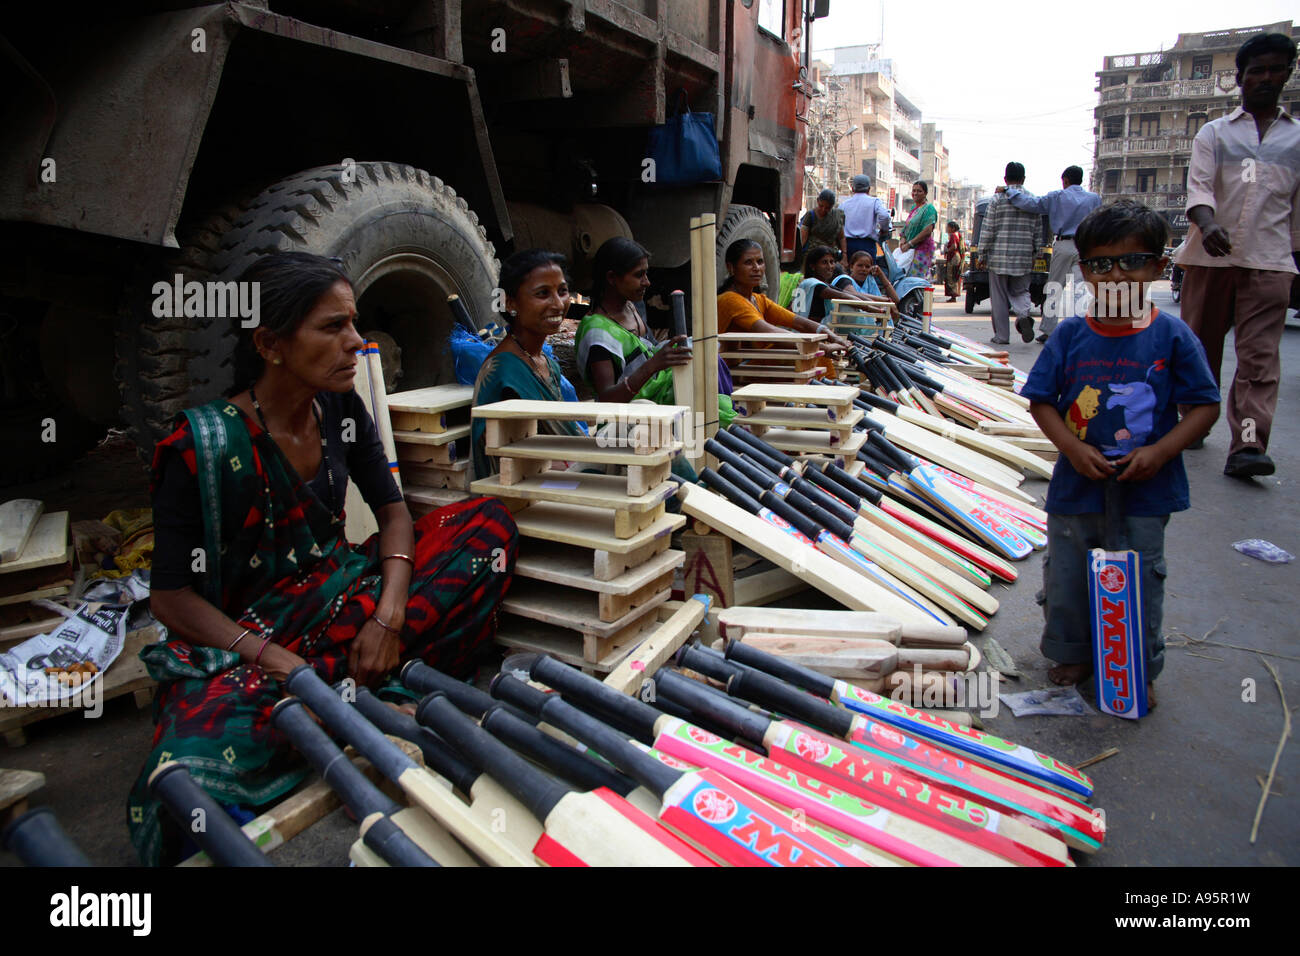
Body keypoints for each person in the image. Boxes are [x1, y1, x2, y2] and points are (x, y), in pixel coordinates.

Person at [130, 252, 518, 865]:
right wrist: (276, 659)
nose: (356, 343)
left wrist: (387, 615)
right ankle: (349, 690)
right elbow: (172, 598)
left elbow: (392, 511)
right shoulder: (200, 444)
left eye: (354, 324)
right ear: (271, 343)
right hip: (252, 639)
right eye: (333, 327)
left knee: (485, 527)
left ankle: (345, 686)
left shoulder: (337, 408)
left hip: (344, 601)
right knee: (187, 768)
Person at [1020, 201, 1220, 703]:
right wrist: (1070, 447)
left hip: (1146, 489)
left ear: (1158, 266)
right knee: (1067, 573)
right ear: (1083, 269)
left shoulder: (1172, 336)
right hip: (1076, 486)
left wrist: (1161, 451)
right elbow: (1041, 402)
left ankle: (1136, 665)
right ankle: (1073, 652)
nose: (1116, 275)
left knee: (1139, 578)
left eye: (1132, 261)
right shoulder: (1069, 336)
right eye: (1102, 263)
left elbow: (1204, 407)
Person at [1176, 31, 1299, 480]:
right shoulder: (1214, 133)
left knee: (1259, 360)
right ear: (1241, 79)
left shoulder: (1297, 141)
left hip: (1269, 261)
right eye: (1257, 71)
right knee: (1197, 350)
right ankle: (1193, 423)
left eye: (1275, 70)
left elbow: (1297, 214)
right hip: (1211, 260)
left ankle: (1248, 443)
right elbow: (1200, 188)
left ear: (1287, 74)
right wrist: (1207, 226)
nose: (1266, 78)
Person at [575, 236, 735, 427]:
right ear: (611, 278)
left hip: (655, 398)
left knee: (706, 357)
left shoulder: (629, 307)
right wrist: (653, 365)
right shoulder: (598, 333)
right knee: (698, 387)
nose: (647, 282)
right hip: (631, 419)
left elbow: (647, 351)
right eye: (638, 275)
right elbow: (607, 401)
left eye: (646, 274)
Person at [470, 249, 586, 478]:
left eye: (562, 291)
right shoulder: (503, 371)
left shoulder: (545, 362)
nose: (558, 304)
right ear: (511, 303)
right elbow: (509, 465)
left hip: (559, 473)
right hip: (529, 489)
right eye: (543, 294)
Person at [716, 238, 848, 378]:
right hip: (727, 373)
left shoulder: (758, 299)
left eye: (760, 262)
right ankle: (826, 394)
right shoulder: (730, 299)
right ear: (731, 267)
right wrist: (824, 348)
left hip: (749, 365)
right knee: (813, 354)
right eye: (748, 262)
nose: (756, 268)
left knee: (813, 352)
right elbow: (772, 333)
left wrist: (833, 337)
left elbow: (799, 322)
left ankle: (827, 391)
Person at [998, 165, 1101, 342]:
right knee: (1081, 289)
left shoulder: (1057, 196)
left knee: (1054, 288)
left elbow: (1031, 204)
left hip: (1063, 244)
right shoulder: (1094, 199)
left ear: (1065, 181)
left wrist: (1009, 191)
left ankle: (1048, 330)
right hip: (1086, 245)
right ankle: (1081, 330)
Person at [981, 162, 1043, 345]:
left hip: (999, 257)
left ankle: (1002, 336)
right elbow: (1039, 229)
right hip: (1023, 256)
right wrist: (1036, 251)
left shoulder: (997, 199)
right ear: (1023, 179)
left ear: (1005, 179)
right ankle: (1023, 315)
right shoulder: (1032, 200)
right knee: (1021, 290)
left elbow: (988, 228)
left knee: (999, 297)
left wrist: (983, 253)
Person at [795, 245, 890, 323]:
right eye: (824, 263)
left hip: (811, 327)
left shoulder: (812, 283)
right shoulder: (815, 285)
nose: (830, 266)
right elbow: (846, 297)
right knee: (847, 307)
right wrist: (878, 311)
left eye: (832, 262)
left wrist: (878, 305)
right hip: (808, 330)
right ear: (812, 266)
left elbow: (851, 295)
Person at [841, 174, 892, 264]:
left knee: (849, 273)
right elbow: (884, 215)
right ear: (869, 189)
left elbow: (839, 224)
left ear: (852, 189)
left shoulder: (844, 204)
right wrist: (884, 230)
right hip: (867, 245)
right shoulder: (874, 202)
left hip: (848, 245)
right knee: (867, 273)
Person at [897, 181, 938, 279]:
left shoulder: (929, 209)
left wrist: (910, 244)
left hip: (921, 250)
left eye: (919, 191)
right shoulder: (914, 208)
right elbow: (907, 227)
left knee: (915, 281)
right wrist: (903, 239)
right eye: (914, 190)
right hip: (909, 249)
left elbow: (927, 231)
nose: (915, 193)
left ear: (925, 193)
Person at [799, 188, 847, 263]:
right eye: (821, 206)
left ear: (832, 206)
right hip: (813, 255)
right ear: (817, 201)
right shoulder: (810, 215)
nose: (823, 210)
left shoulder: (837, 216)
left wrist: (844, 255)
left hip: (831, 255)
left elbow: (841, 237)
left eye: (828, 208)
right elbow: (803, 238)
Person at [942, 221, 965, 301]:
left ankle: (953, 296)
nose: (947, 229)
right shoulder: (958, 235)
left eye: (948, 227)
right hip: (958, 257)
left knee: (951, 276)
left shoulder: (953, 235)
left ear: (952, 228)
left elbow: (954, 246)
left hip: (953, 257)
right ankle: (954, 295)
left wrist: (948, 251)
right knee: (955, 275)